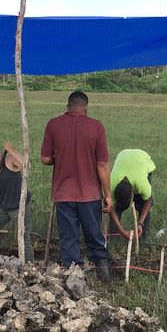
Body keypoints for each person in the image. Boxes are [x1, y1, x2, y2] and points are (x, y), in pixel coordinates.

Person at [40, 91, 113, 282]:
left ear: (68, 106)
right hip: (89, 194)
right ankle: (103, 272)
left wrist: (59, 157)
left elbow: (45, 159)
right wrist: (108, 195)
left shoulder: (53, 125)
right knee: (94, 234)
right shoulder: (96, 126)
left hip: (63, 193)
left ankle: (74, 276)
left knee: (68, 237)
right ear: (86, 107)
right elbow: (102, 164)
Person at [108, 149, 155, 241]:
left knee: (141, 203)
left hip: (142, 159)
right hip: (124, 154)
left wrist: (140, 223)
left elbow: (148, 201)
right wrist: (122, 231)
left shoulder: (141, 183)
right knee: (117, 207)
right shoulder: (111, 184)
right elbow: (111, 207)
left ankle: (144, 237)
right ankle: (113, 237)